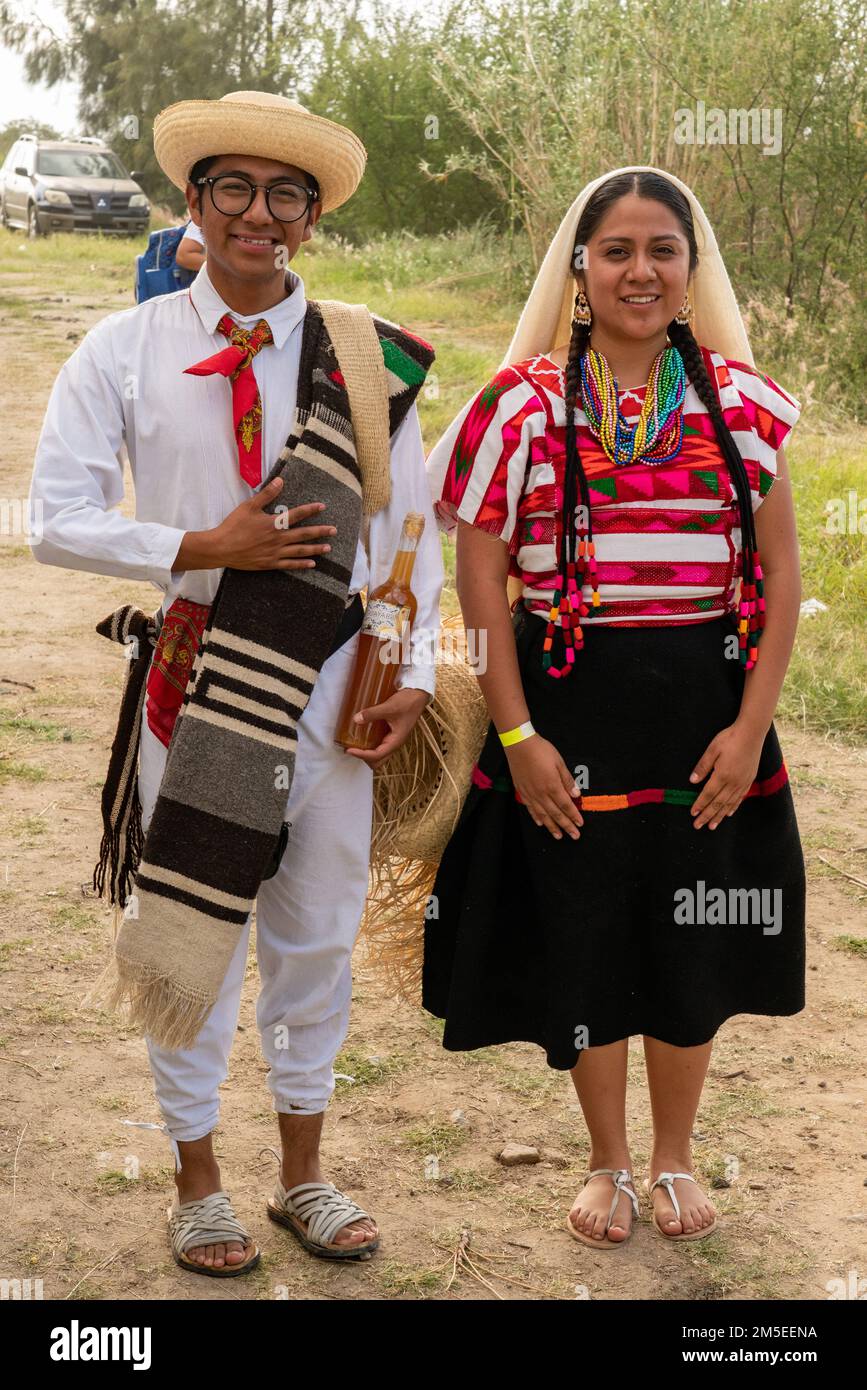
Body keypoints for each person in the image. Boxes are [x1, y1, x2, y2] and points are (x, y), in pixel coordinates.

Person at [28, 89, 443, 1275]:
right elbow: (50, 519)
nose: (260, 213)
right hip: (198, 681)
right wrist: (204, 547)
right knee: (193, 930)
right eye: (235, 189)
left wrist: (408, 670)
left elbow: (407, 533)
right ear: (192, 205)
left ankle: (304, 1174)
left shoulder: (365, 357)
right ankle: (199, 1180)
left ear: (310, 218)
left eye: (286, 194)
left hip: (330, 686)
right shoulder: (127, 350)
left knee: (313, 935)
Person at [423, 166, 805, 1249]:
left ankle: (678, 1153)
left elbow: (781, 582)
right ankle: (609, 1160)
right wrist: (518, 735)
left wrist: (748, 729)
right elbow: (481, 586)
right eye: (617, 250)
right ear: (579, 272)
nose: (641, 270)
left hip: (707, 720)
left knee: (690, 937)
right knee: (586, 934)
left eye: (663, 250)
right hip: (563, 720)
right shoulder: (519, 410)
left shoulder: (745, 407)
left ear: (692, 273)